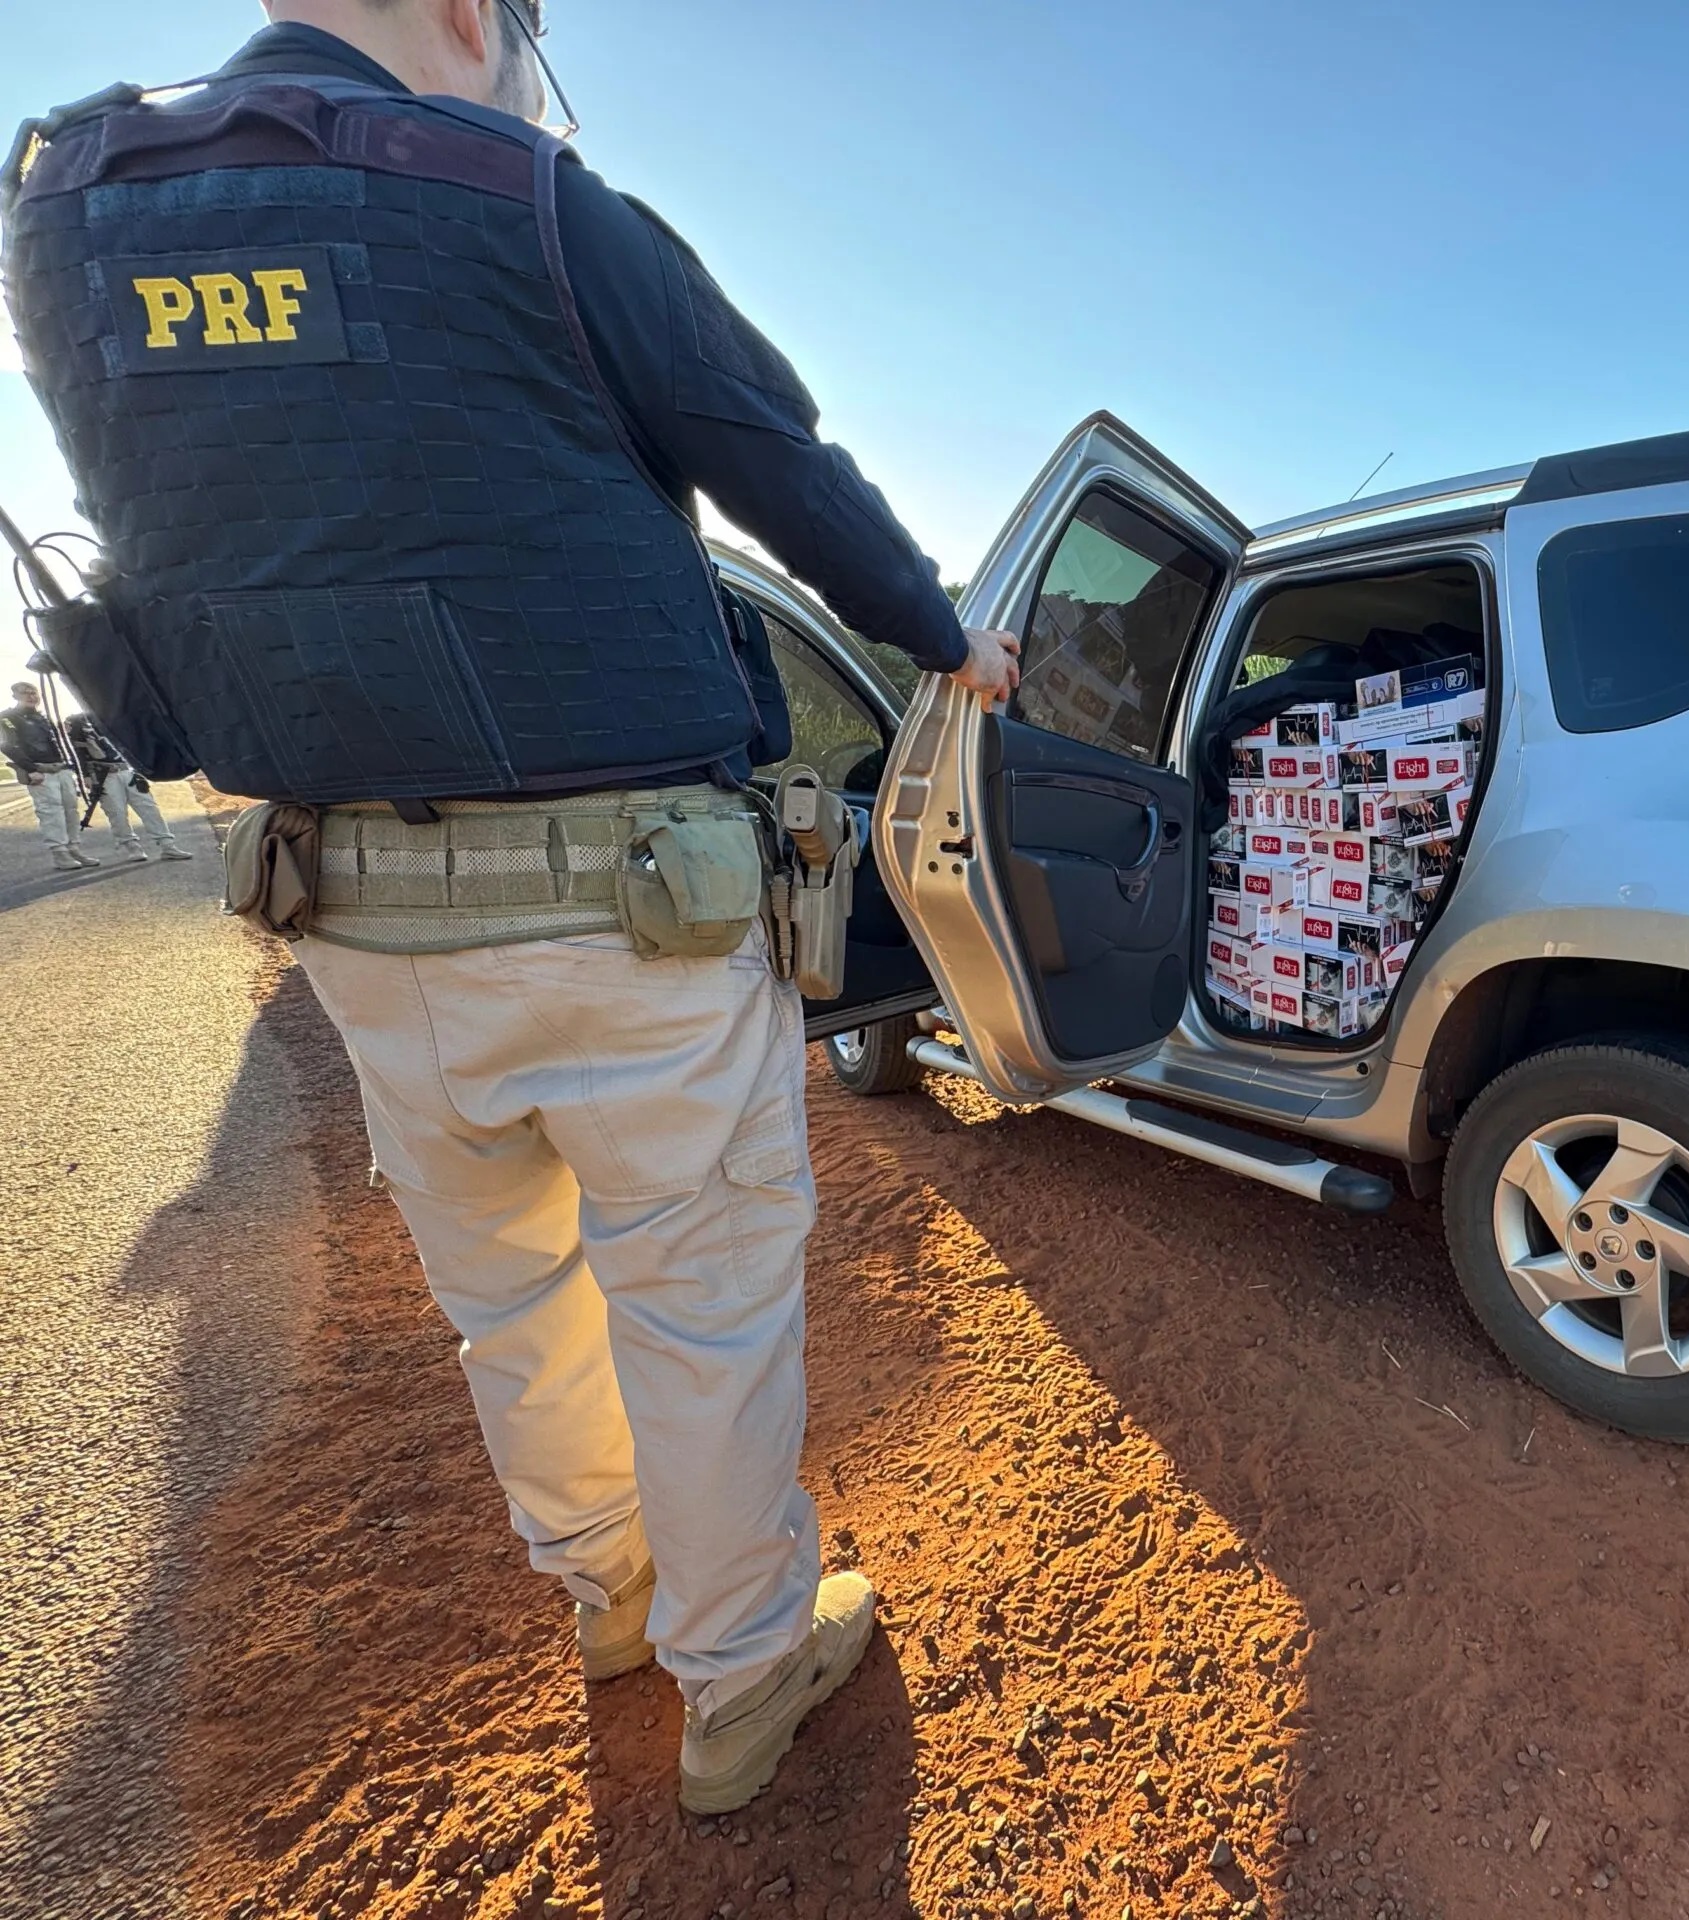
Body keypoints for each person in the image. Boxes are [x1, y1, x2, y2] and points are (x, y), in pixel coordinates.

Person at [4, 0, 1020, 1813]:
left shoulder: (67, 206)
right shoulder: (530, 196)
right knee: (699, 1307)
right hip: (636, 915)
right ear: (481, 15)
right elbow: (781, 464)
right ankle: (742, 1673)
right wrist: (951, 638)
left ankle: (610, 1598)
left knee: (513, 1302)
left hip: (358, 927)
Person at [65, 713, 195, 862]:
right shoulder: (77, 722)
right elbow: (77, 752)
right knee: (117, 812)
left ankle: (167, 845)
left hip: (129, 769)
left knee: (148, 807)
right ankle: (132, 846)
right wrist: (86, 776)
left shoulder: (118, 714)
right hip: (104, 773)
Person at [1, 682, 99, 871]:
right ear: (15, 696)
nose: (31, 696)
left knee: (71, 810)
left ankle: (73, 848)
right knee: (51, 812)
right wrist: (30, 769)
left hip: (61, 769)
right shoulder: (7, 717)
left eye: (34, 693)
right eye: (25, 693)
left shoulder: (44, 717)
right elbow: (7, 745)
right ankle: (59, 852)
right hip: (41, 771)